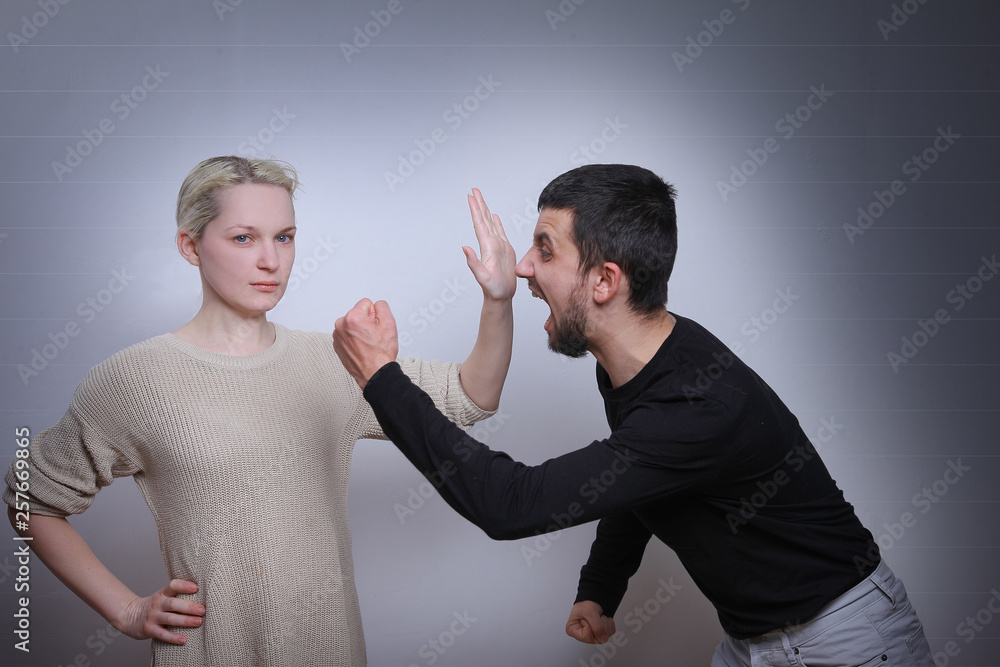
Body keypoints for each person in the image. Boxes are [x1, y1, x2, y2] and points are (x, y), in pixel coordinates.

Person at [332, 163, 935, 665]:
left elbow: (510, 504)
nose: (522, 266)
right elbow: (641, 478)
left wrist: (382, 379)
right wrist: (603, 587)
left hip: (844, 643)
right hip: (756, 641)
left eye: (545, 248)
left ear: (604, 280)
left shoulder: (698, 404)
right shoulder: (639, 361)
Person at [4, 155, 516, 666]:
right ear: (190, 246)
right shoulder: (135, 379)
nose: (271, 260)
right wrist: (127, 610)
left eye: (285, 237)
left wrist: (498, 300)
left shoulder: (337, 360)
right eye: (244, 238)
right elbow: (31, 498)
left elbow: (473, 396)